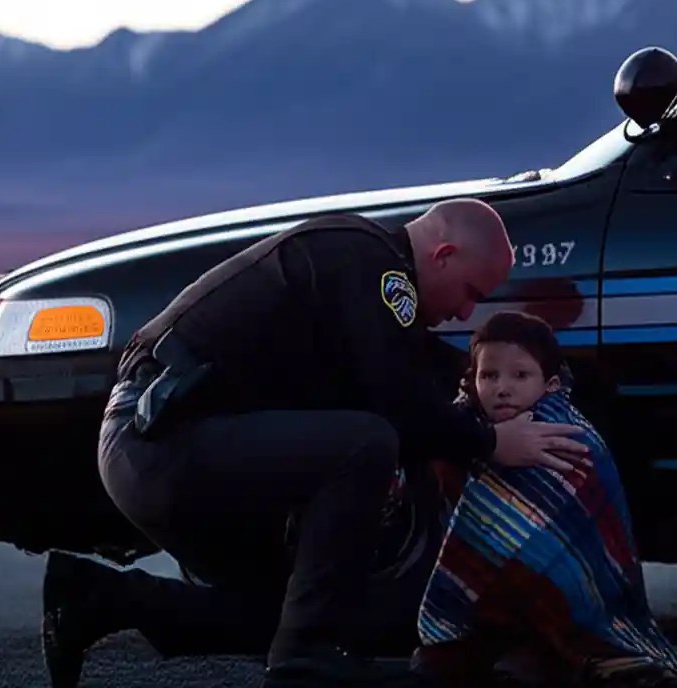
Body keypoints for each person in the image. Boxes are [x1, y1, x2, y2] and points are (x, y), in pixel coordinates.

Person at [40, 198, 593, 688]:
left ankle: (92, 601)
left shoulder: (360, 270)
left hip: (158, 442)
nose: (467, 312)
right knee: (366, 443)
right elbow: (397, 402)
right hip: (161, 440)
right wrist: (491, 441)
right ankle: (304, 663)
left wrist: (534, 385)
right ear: (443, 254)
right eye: (472, 292)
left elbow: (425, 368)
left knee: (301, 605)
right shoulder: (371, 265)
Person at [410, 310, 677, 688]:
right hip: (495, 609)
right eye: (489, 375)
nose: (502, 388)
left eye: (520, 375)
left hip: (566, 607)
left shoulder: (568, 436)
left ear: (548, 383)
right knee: (432, 667)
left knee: (547, 661)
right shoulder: (464, 430)